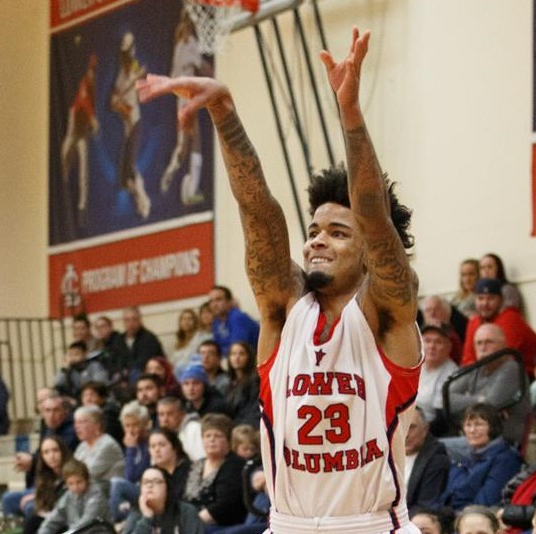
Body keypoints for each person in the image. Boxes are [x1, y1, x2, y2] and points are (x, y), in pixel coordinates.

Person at [139, 27, 421, 532]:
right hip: (287, 523)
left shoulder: (385, 316)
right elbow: (258, 215)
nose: (316, 241)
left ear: (370, 252)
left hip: (371, 525)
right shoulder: (283, 310)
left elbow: (374, 216)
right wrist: (224, 114)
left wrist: (350, 114)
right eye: (313, 230)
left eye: (338, 232)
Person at [447, 324, 530, 446]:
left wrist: (469, 404)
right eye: (479, 343)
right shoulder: (476, 369)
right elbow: (446, 398)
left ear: (503, 345)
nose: (483, 347)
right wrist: (480, 399)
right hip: (475, 437)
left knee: (438, 449)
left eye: (489, 342)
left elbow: (490, 404)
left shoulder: (512, 368)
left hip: (501, 440)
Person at [159, 10, 211, 205]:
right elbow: (201, 68)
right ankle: (190, 187)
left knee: (185, 147)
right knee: (192, 142)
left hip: (186, 97)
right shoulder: (185, 45)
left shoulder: (185, 44)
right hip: (185, 98)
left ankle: (173, 176)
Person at [434, 404, 521, 510]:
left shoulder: (505, 459)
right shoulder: (466, 458)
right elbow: (445, 496)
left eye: (479, 425)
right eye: (468, 425)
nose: (472, 430)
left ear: (493, 427)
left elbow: (485, 503)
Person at [460, 278, 536, 375]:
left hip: (526, 375)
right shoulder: (474, 322)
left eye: (491, 298)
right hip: (492, 373)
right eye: (480, 298)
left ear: (501, 300)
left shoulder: (511, 318)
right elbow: (468, 359)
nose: (485, 304)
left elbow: (501, 359)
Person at [111, 32, 151, 219]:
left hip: (135, 123)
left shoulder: (135, 69)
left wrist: (122, 106)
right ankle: (137, 195)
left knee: (131, 166)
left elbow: (138, 96)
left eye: (129, 53)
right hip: (126, 129)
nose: (127, 57)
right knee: (125, 180)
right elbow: (114, 103)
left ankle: (143, 200)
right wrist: (117, 103)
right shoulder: (119, 77)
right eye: (124, 54)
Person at [181, 414, 246, 527]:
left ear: (229, 440)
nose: (212, 440)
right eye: (207, 436)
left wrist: (190, 524)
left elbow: (224, 505)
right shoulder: (196, 465)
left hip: (220, 525)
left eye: (218, 436)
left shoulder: (234, 464)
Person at [59, 54, 99, 231]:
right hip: (74, 125)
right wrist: (92, 119)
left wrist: (92, 125)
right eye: (91, 70)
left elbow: (91, 108)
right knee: (65, 157)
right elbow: (82, 103)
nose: (92, 74)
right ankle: (59, 191)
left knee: (83, 168)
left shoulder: (93, 89)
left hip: (82, 132)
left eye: (94, 71)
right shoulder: (85, 83)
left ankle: (82, 209)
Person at [122, 466, 204, 534]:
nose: (150, 485)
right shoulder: (136, 514)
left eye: (156, 481)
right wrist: (146, 519)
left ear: (167, 487)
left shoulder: (186, 512)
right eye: (145, 482)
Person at [38, 460, 108, 534]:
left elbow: (87, 523)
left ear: (87, 479)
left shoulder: (96, 495)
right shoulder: (67, 497)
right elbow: (52, 520)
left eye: (79, 482)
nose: (75, 487)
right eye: (71, 483)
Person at [23, 436, 72, 534]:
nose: (51, 456)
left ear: (63, 451)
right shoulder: (44, 476)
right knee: (33, 520)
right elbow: (42, 506)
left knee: (33, 521)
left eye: (55, 450)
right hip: (52, 520)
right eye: (46, 452)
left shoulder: (72, 472)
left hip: (69, 522)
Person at [403, 408, 450, 510]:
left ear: (425, 429)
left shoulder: (437, 459)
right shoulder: (387, 455)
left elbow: (426, 504)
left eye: (411, 427)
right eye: (401, 427)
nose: (405, 434)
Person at [415, 325, 458, 430]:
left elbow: (441, 420)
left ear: (449, 347)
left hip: (427, 428)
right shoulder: (416, 364)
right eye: (427, 341)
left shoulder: (452, 373)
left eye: (438, 342)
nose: (432, 346)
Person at [112, 306, 166, 384]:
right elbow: (116, 360)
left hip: (146, 375)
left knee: (135, 373)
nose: (131, 323)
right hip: (124, 377)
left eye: (134, 319)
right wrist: (120, 373)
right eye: (127, 320)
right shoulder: (119, 340)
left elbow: (143, 362)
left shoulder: (149, 338)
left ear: (140, 320)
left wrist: (126, 372)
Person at [72, 405, 124, 485]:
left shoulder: (107, 444)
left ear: (97, 425)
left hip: (106, 492)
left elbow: (87, 474)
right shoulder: (82, 446)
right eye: (75, 422)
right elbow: (70, 471)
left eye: (81, 422)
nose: (76, 426)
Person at [206, 286, 260, 358]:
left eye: (218, 300)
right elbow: (217, 349)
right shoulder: (216, 322)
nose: (214, 305)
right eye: (211, 301)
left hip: (254, 362)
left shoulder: (238, 318)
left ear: (229, 302)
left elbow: (236, 349)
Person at [148, 429, 193, 504]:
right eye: (153, 446)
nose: (157, 450)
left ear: (175, 447)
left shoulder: (191, 469)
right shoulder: (151, 474)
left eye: (162, 445)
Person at [223, 341, 260, 426]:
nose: (237, 357)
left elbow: (253, 410)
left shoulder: (255, 381)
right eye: (233, 354)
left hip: (247, 427)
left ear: (249, 357)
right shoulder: (230, 384)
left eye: (241, 354)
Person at [419, 295, 466, 363]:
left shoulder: (452, 337)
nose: (432, 313)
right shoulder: (417, 335)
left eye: (437, 309)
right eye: (428, 310)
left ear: (446, 312)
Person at [156, 396, 204, 461]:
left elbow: (201, 460)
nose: (165, 419)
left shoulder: (193, 429)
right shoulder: (164, 434)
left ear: (181, 414)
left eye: (170, 414)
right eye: (161, 414)